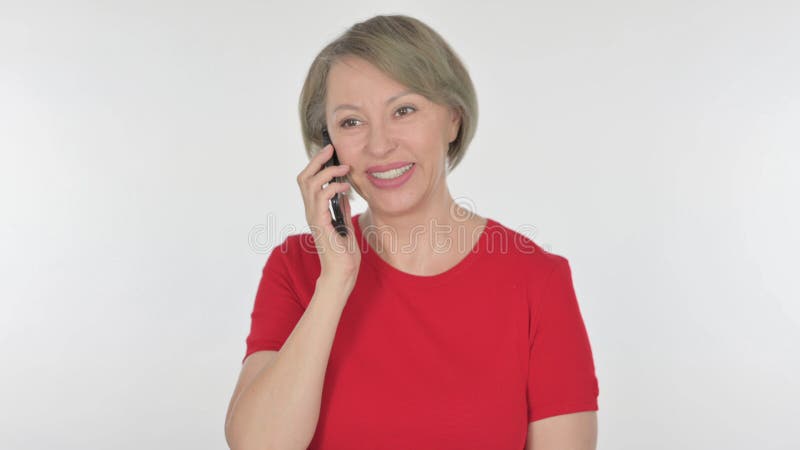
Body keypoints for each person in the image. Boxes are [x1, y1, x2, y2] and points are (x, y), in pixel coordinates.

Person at [225, 14, 599, 450]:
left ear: (453, 118)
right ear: (328, 147)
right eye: (351, 122)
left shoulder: (538, 281)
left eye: (404, 110)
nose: (380, 145)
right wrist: (336, 281)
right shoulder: (297, 268)